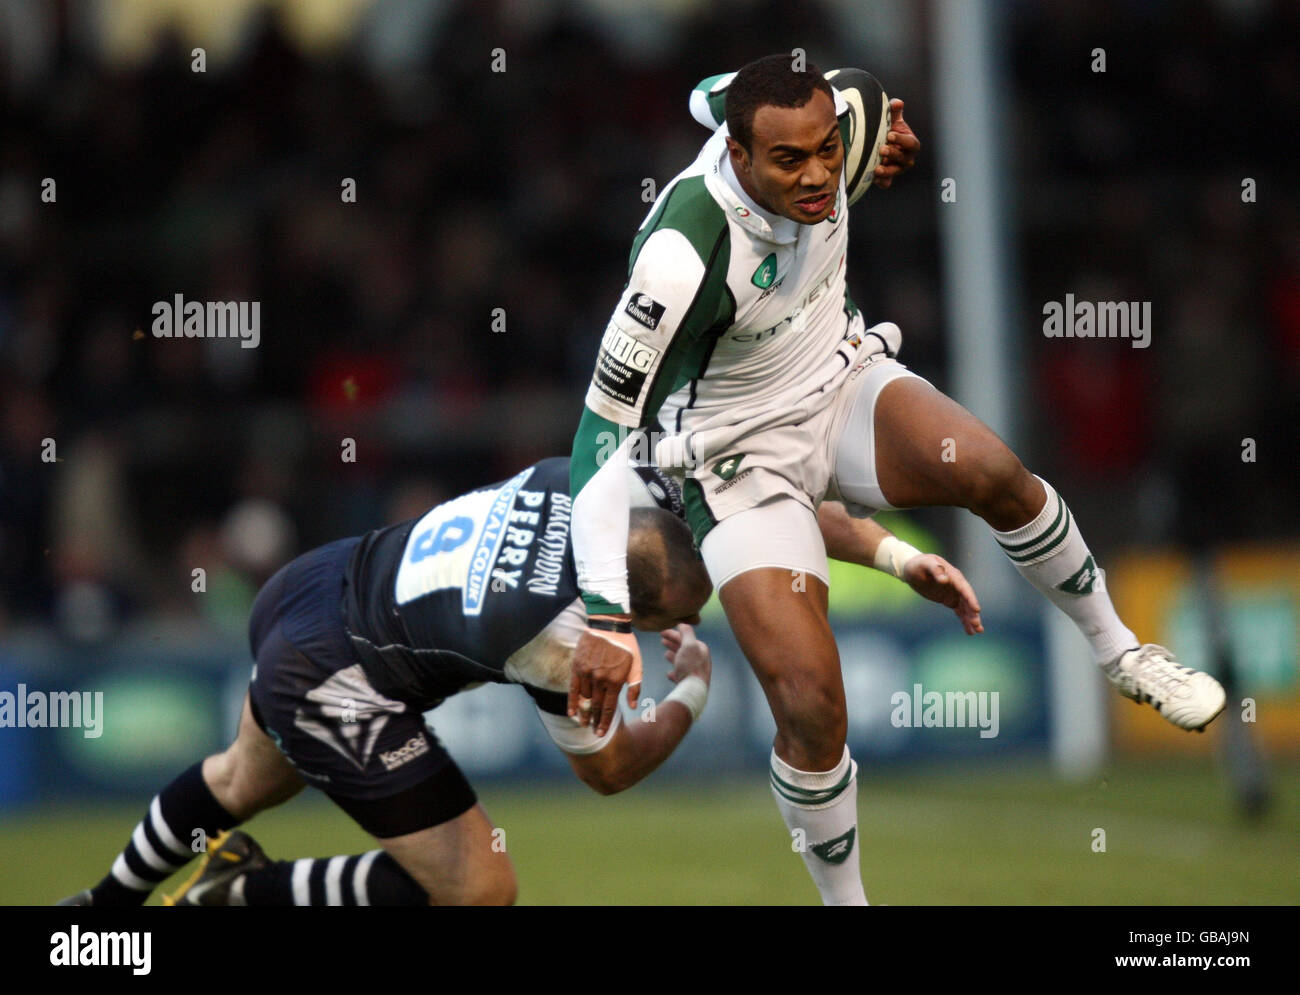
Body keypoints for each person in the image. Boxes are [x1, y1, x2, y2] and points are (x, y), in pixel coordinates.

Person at [566, 54, 1226, 906]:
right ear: (736, 157)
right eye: (787, 161)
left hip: (839, 381)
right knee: (810, 703)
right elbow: (597, 435)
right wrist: (609, 616)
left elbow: (731, 92)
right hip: (734, 453)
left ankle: (1123, 650)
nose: (816, 177)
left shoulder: (844, 116)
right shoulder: (677, 260)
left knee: (992, 470)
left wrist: (888, 127)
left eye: (826, 152)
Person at [58, 457, 978, 906]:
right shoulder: (561, 636)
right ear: (647, 620)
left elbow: (772, 507)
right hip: (338, 675)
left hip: (315, 583)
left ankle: (97, 917)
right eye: (674, 622)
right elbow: (608, 770)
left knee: (236, 780)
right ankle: (235, 899)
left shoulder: (599, 477)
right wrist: (691, 689)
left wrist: (895, 555)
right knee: (481, 887)